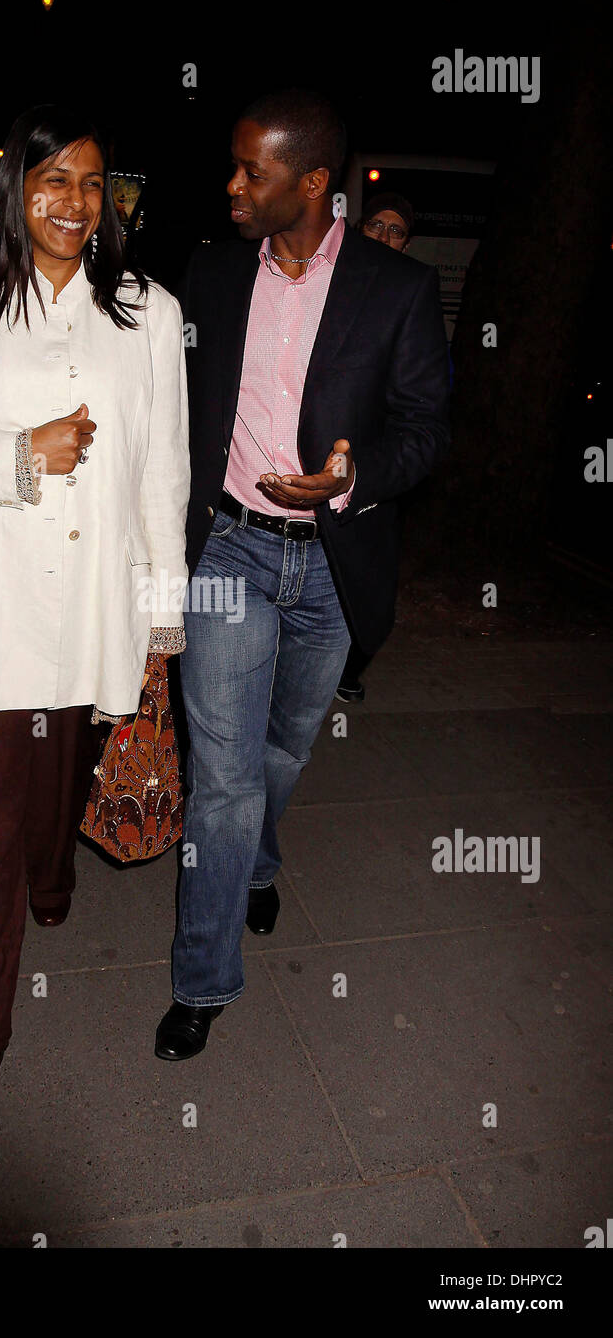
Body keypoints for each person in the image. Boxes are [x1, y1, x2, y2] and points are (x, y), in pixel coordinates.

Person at [0, 104, 189, 1144]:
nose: (74, 202)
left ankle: (51, 871)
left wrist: (162, 621)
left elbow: (164, 468)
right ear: (13, 187)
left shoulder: (148, 312)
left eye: (93, 182)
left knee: (51, 801)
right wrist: (16, 456)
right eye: (52, 179)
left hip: (95, 607)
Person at [155, 90, 450, 1060]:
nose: (233, 185)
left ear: (313, 183)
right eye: (234, 166)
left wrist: (351, 475)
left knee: (283, 751)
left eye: (253, 170)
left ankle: (258, 862)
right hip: (230, 552)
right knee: (223, 785)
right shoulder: (206, 274)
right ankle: (205, 977)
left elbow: (425, 431)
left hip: (333, 561)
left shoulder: (393, 287)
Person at [336, 190, 416, 703]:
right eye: (377, 226)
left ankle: (348, 667)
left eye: (397, 230)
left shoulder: (409, 295)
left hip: (378, 467)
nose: (385, 237)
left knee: (374, 593)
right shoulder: (337, 285)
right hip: (327, 453)